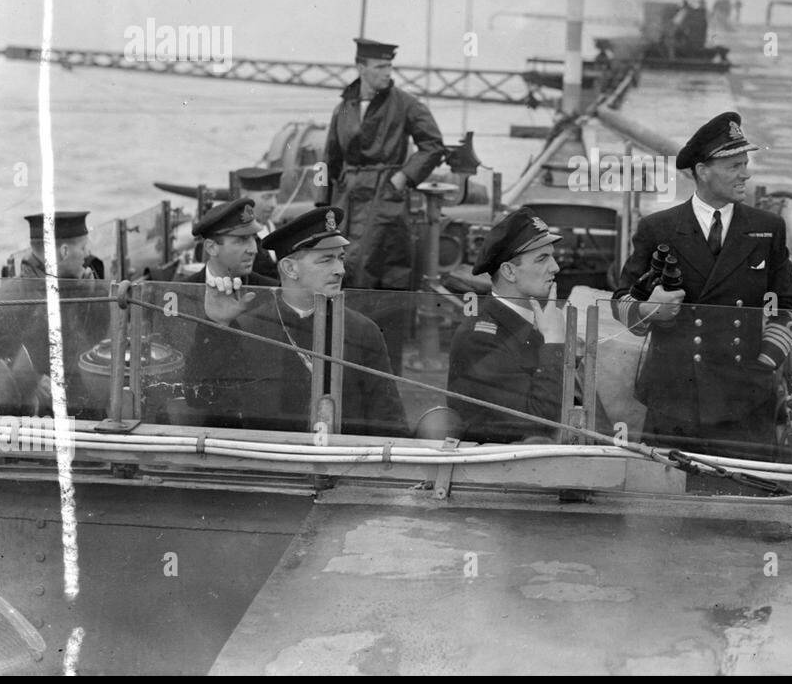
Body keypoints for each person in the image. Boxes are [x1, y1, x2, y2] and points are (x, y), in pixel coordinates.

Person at [612, 112, 792, 459]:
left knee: (748, 500)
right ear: (702, 171)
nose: (746, 173)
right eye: (734, 166)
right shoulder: (659, 229)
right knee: (667, 500)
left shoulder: (767, 229)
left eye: (745, 163)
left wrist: (765, 363)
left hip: (745, 401)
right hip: (674, 401)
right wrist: (649, 309)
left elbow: (786, 305)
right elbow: (622, 300)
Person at [183, 207, 405, 436]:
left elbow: (389, 420)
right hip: (270, 463)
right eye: (326, 260)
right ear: (290, 268)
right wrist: (215, 325)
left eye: (341, 258)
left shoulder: (363, 330)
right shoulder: (250, 327)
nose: (340, 270)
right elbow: (201, 398)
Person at [324, 38, 446, 290]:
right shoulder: (345, 107)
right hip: (348, 197)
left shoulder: (404, 103)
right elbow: (330, 158)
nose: (388, 72)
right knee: (341, 260)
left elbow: (433, 145)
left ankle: (374, 326)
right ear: (360, 68)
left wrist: (402, 178)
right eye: (380, 66)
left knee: (377, 266)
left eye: (389, 66)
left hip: (384, 196)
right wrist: (323, 205)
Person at [444, 207, 570, 443]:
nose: (555, 267)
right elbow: (537, 423)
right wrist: (553, 341)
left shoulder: (531, 321)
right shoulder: (481, 339)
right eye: (542, 259)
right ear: (509, 271)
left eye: (551, 256)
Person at [0, 212, 107, 416]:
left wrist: (89, 294)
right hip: (27, 421)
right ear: (63, 252)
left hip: (70, 399)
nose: (87, 255)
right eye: (82, 248)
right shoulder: (15, 298)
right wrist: (29, 389)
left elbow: (95, 338)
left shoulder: (67, 287)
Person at [175, 197, 278, 288]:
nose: (254, 250)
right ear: (211, 248)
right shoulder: (181, 294)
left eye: (255, 238)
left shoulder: (273, 292)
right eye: (241, 240)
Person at [235, 167, 285, 279]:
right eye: (267, 197)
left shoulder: (275, 229)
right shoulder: (238, 235)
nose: (273, 204)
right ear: (245, 197)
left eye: (276, 196)